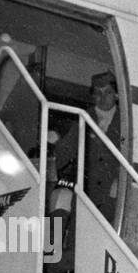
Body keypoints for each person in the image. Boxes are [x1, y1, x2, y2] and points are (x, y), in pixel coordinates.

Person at [52, 68, 124, 224]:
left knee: (106, 236)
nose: (102, 97)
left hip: (113, 193)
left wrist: (120, 181)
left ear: (117, 95)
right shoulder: (84, 118)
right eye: (98, 93)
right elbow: (65, 150)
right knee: (77, 233)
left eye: (108, 92)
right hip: (86, 190)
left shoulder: (125, 122)